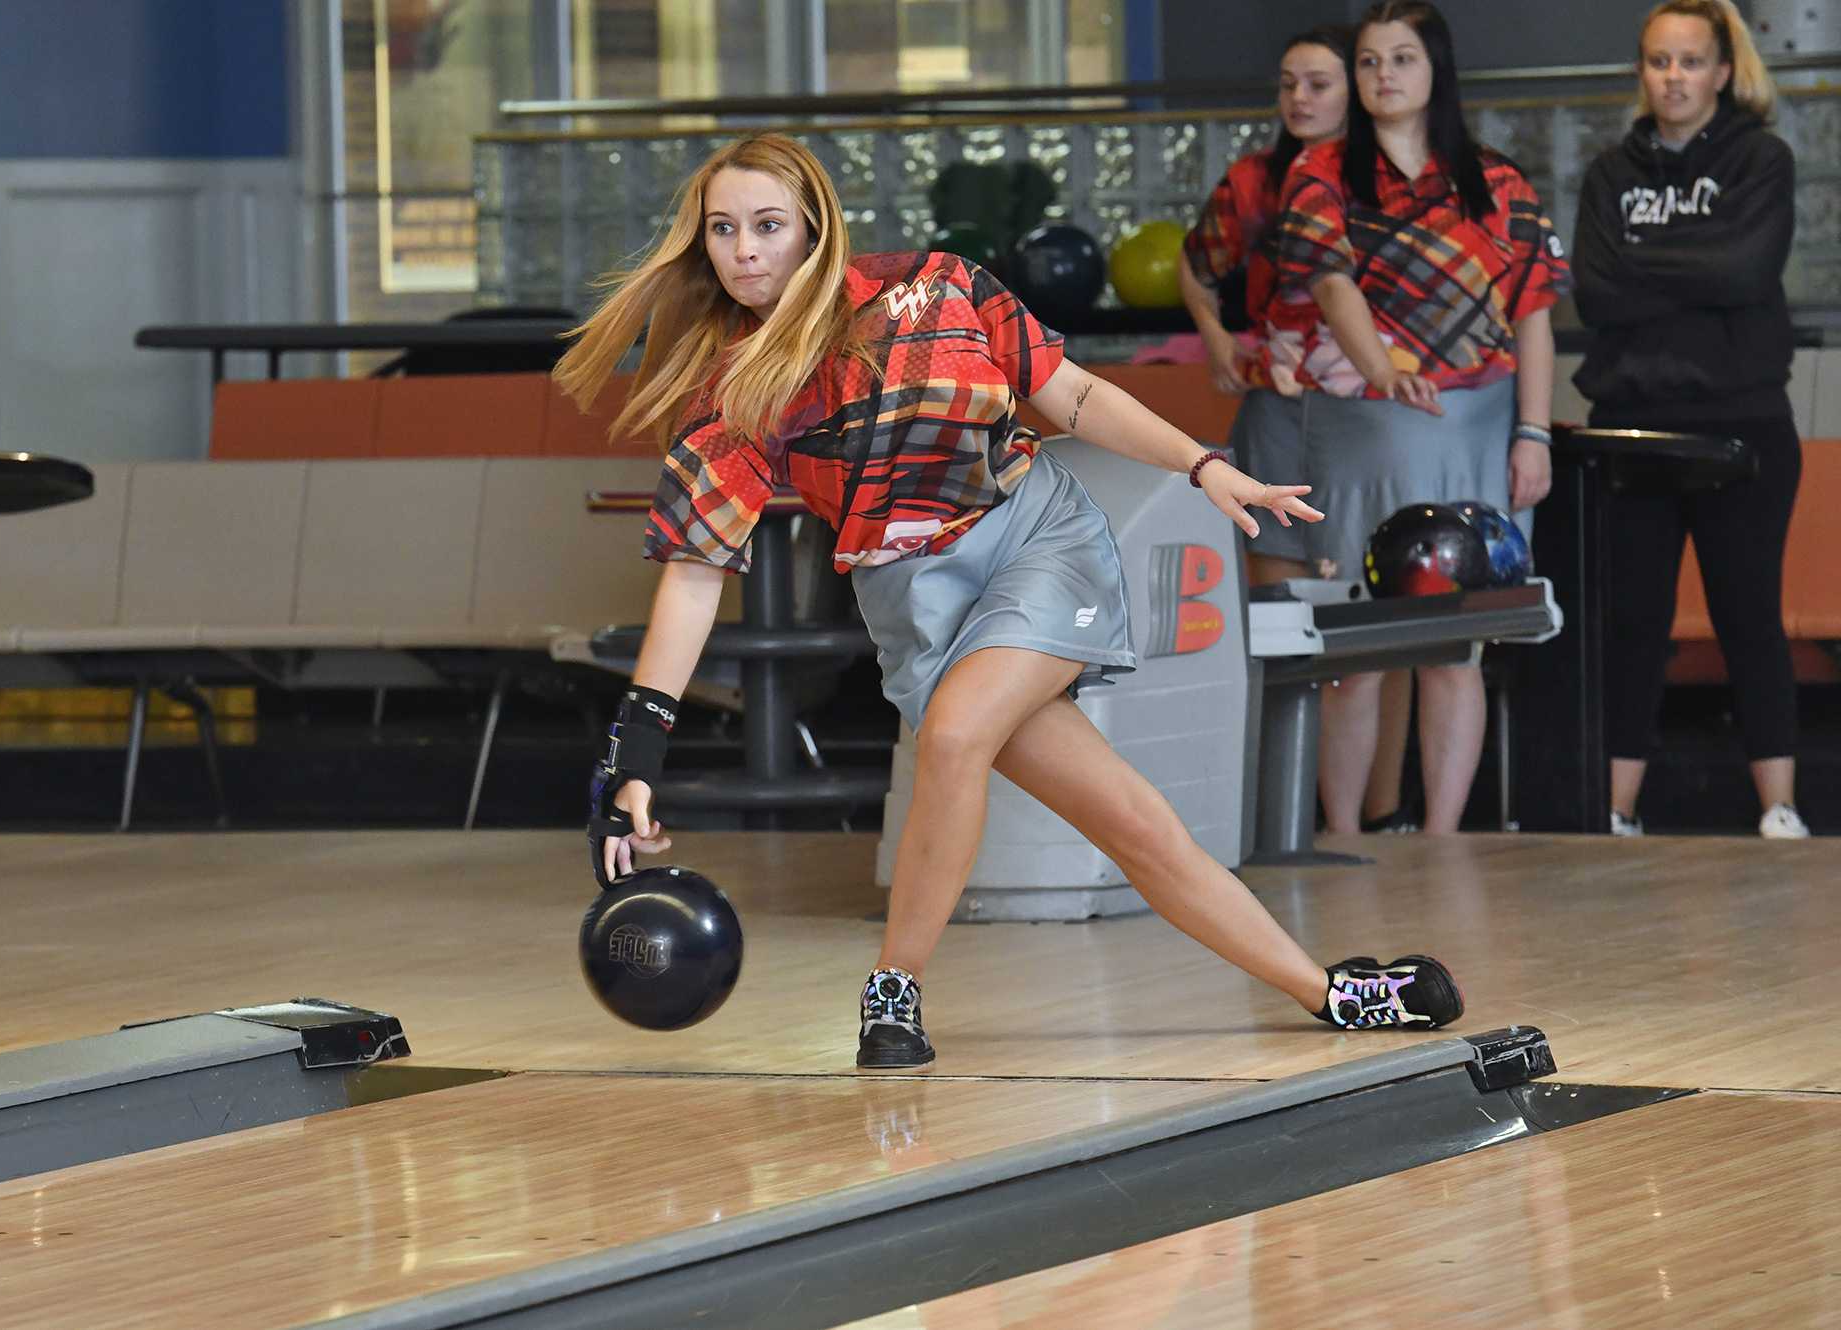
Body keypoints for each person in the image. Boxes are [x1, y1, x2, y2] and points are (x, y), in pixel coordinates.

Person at [554, 133, 1465, 1070]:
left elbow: (1068, 396)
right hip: (914, 600)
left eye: (768, 225)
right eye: (723, 230)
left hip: (1035, 541)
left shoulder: (937, 287)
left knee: (952, 736)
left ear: (817, 232)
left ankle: (892, 989)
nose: (745, 249)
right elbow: (697, 571)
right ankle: (1334, 992)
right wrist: (638, 753)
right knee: (1138, 826)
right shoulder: (734, 391)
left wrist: (1203, 465)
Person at [1274, 0, 1571, 835]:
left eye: (1400, 59)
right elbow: (1330, 285)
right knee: (1355, 648)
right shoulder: (1322, 173)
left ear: (1435, 69)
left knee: (1456, 645)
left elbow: (1535, 314)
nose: (1383, 77)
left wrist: (1534, 433)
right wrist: (1384, 369)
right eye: (1369, 62)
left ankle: (1441, 836)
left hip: (1479, 424)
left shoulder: (1499, 181)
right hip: (1365, 427)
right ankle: (1339, 832)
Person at [1573, 0, 1807, 840]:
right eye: (1658, 61)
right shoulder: (1608, 173)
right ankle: (1614, 811)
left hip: (1742, 425)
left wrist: (1646, 265)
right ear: (1641, 71)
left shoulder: (1762, 159)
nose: (1673, 78)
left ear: (1722, 70)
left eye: (1690, 62)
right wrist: (1697, 262)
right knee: (1632, 624)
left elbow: (1748, 273)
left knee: (1749, 616)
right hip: (1632, 431)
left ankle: (1779, 808)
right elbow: (1595, 291)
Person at [1178, 24, 1354, 588]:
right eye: (1288, 85)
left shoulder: (1388, 181)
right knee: (1280, 586)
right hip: (1279, 398)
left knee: (1369, 594)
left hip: (1369, 405)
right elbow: (1195, 264)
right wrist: (1213, 333)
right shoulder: (1255, 181)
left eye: (1319, 84)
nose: (1300, 98)